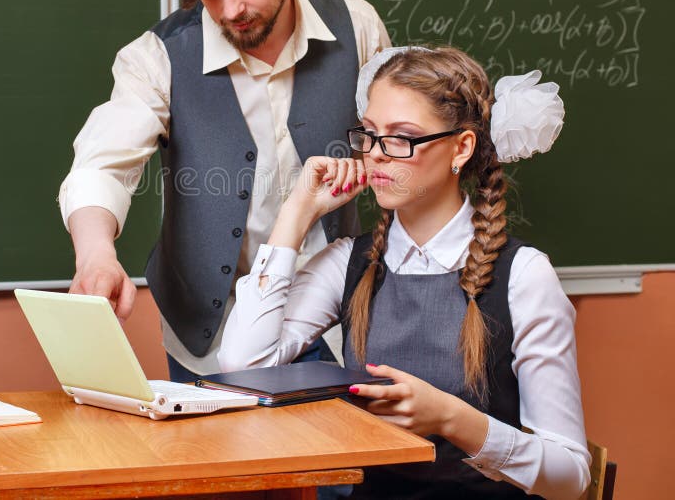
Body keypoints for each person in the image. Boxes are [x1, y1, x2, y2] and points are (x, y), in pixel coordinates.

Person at [58, 0, 390, 381]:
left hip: (332, 320)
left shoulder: (357, 23)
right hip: (207, 337)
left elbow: (399, 142)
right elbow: (102, 164)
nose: (230, 10)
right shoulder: (157, 57)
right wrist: (96, 255)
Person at [218, 45, 589, 499]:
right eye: (369, 134)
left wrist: (453, 420)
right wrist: (295, 213)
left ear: (461, 147)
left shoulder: (524, 275)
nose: (376, 155)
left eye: (402, 137)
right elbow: (241, 366)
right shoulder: (348, 263)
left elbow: (570, 477)